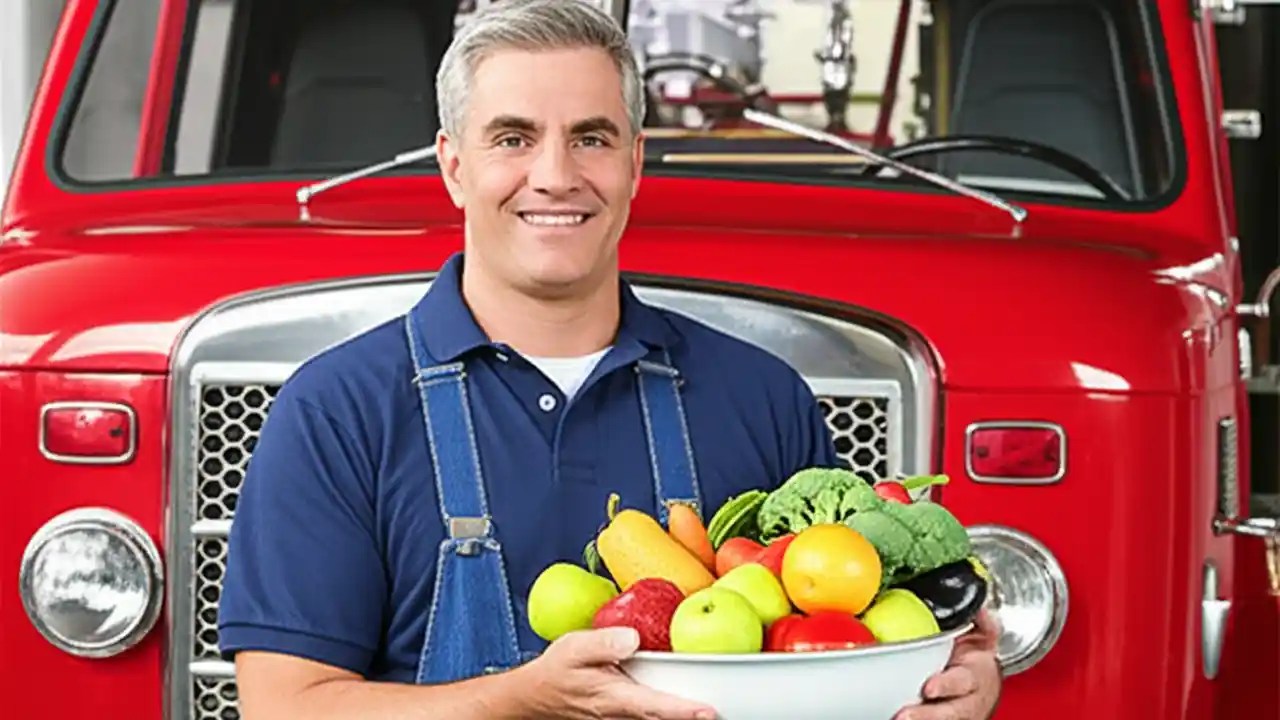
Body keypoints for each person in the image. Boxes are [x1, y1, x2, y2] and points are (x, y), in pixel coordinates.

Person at [217, 1, 1003, 718]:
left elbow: (835, 656)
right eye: (514, 138)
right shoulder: (336, 410)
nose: (556, 176)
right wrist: (519, 703)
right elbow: (285, 707)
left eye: (590, 138)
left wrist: (942, 685)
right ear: (454, 166)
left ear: (634, 162)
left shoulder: (765, 399)